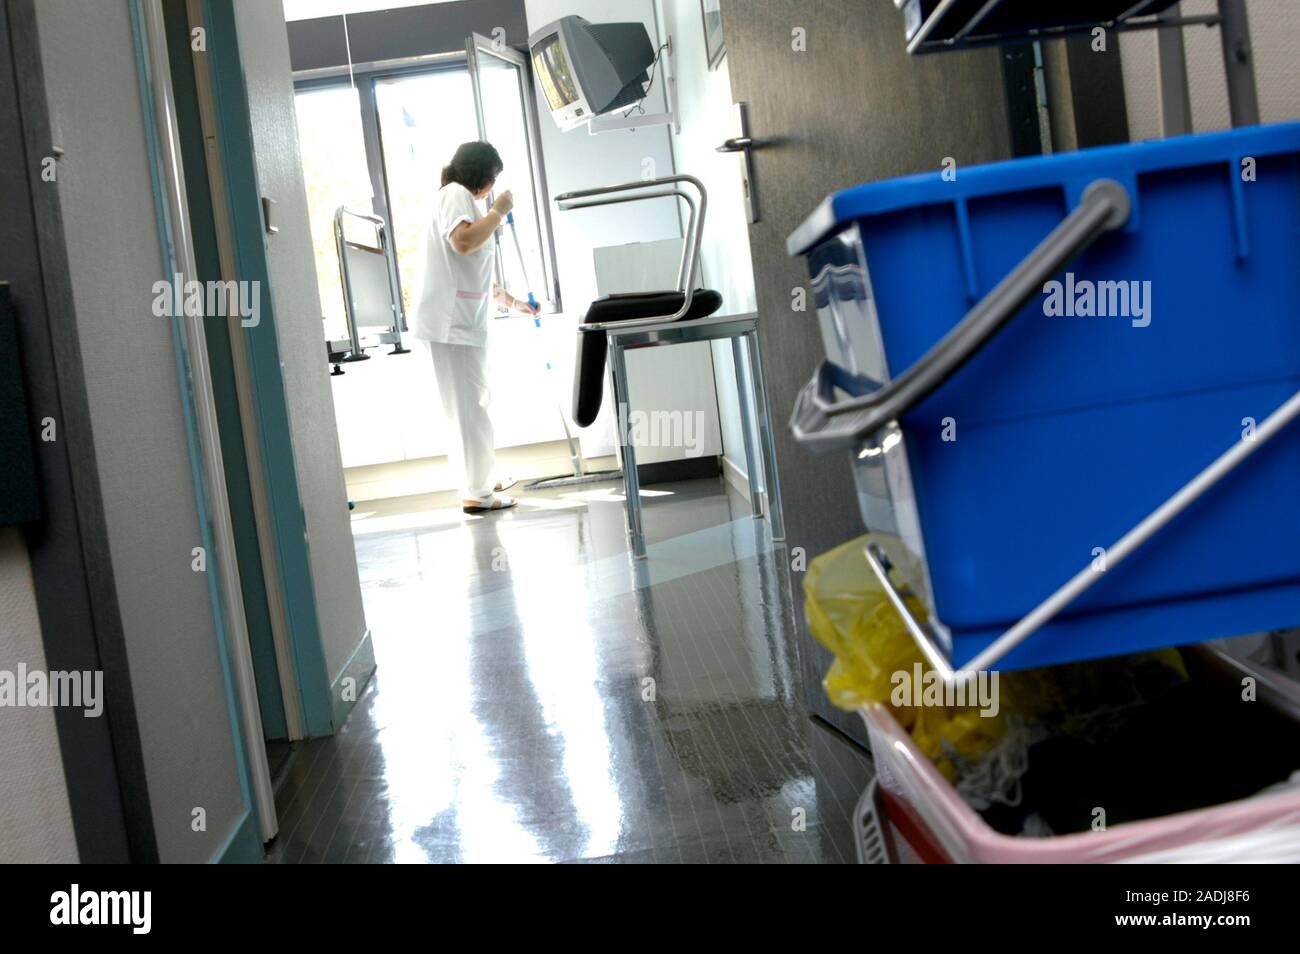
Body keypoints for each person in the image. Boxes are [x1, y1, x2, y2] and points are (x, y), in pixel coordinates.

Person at [411, 141, 538, 514]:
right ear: (481, 177)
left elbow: (477, 271)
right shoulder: (454, 194)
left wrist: (514, 303)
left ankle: (482, 477)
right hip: (450, 324)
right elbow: (463, 243)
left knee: (472, 405)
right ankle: (478, 492)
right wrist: (498, 212)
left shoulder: (466, 203)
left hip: (461, 321)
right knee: (470, 409)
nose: (494, 188)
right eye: (494, 179)